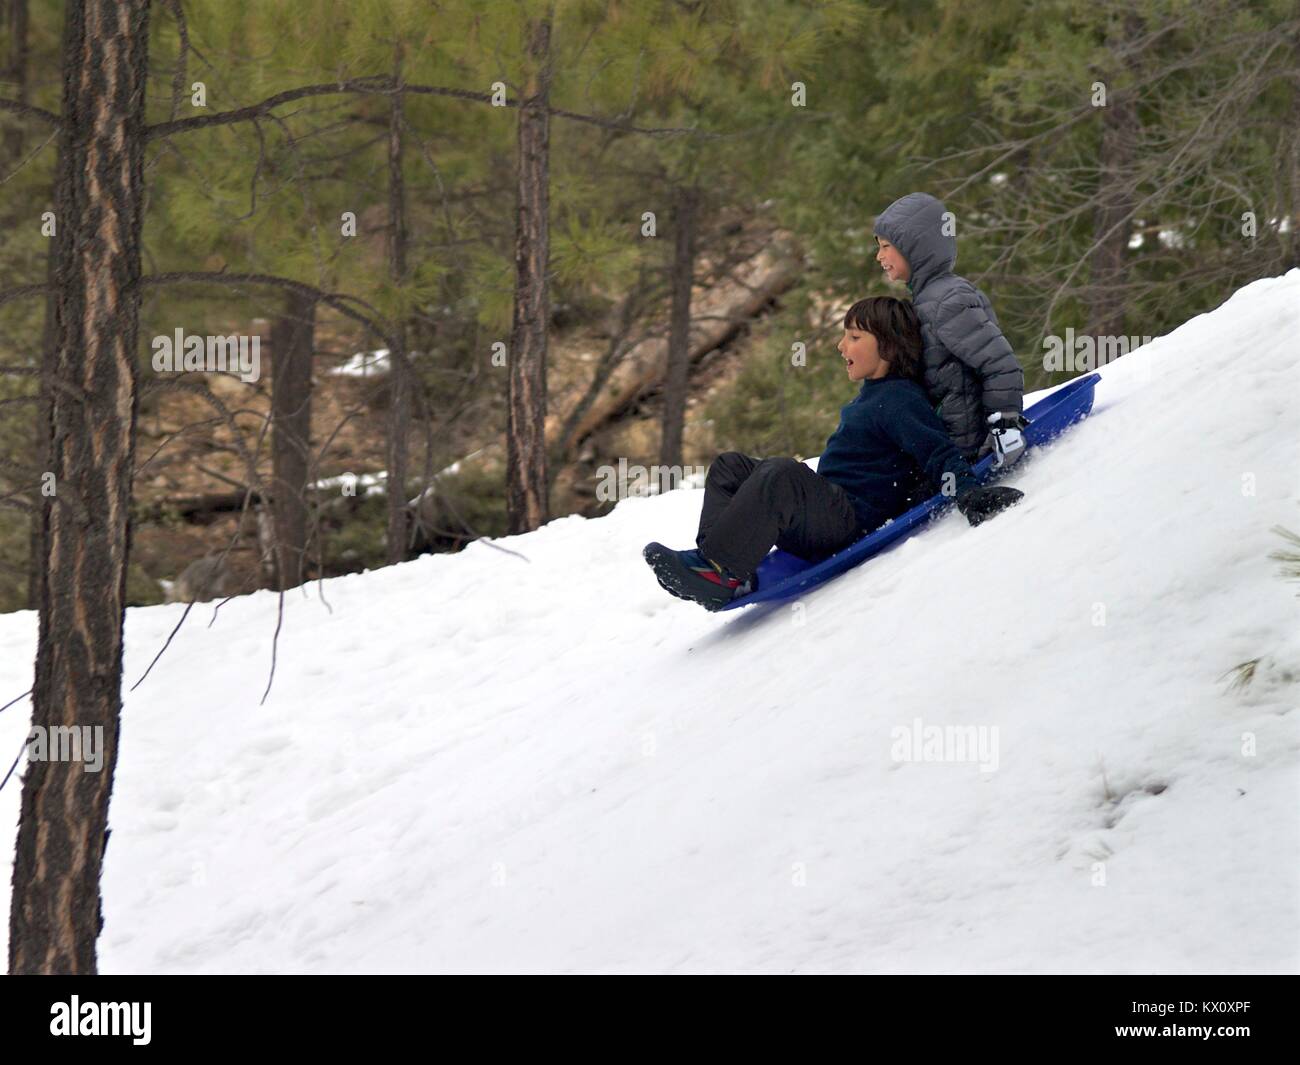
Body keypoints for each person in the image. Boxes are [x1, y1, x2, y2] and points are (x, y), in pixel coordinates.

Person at [643, 296, 1023, 611]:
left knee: (780, 474)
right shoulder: (873, 394)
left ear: (888, 346)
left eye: (854, 337)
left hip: (847, 521)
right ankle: (712, 562)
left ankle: (722, 572)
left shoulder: (899, 398)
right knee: (730, 467)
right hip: (826, 508)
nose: (842, 347)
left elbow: (936, 451)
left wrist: (970, 493)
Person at [873, 192, 1026, 462]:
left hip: (969, 447)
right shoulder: (927, 299)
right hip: (947, 447)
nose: (879, 256)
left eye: (886, 246)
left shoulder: (947, 300)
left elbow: (999, 363)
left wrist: (1004, 425)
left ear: (914, 246)